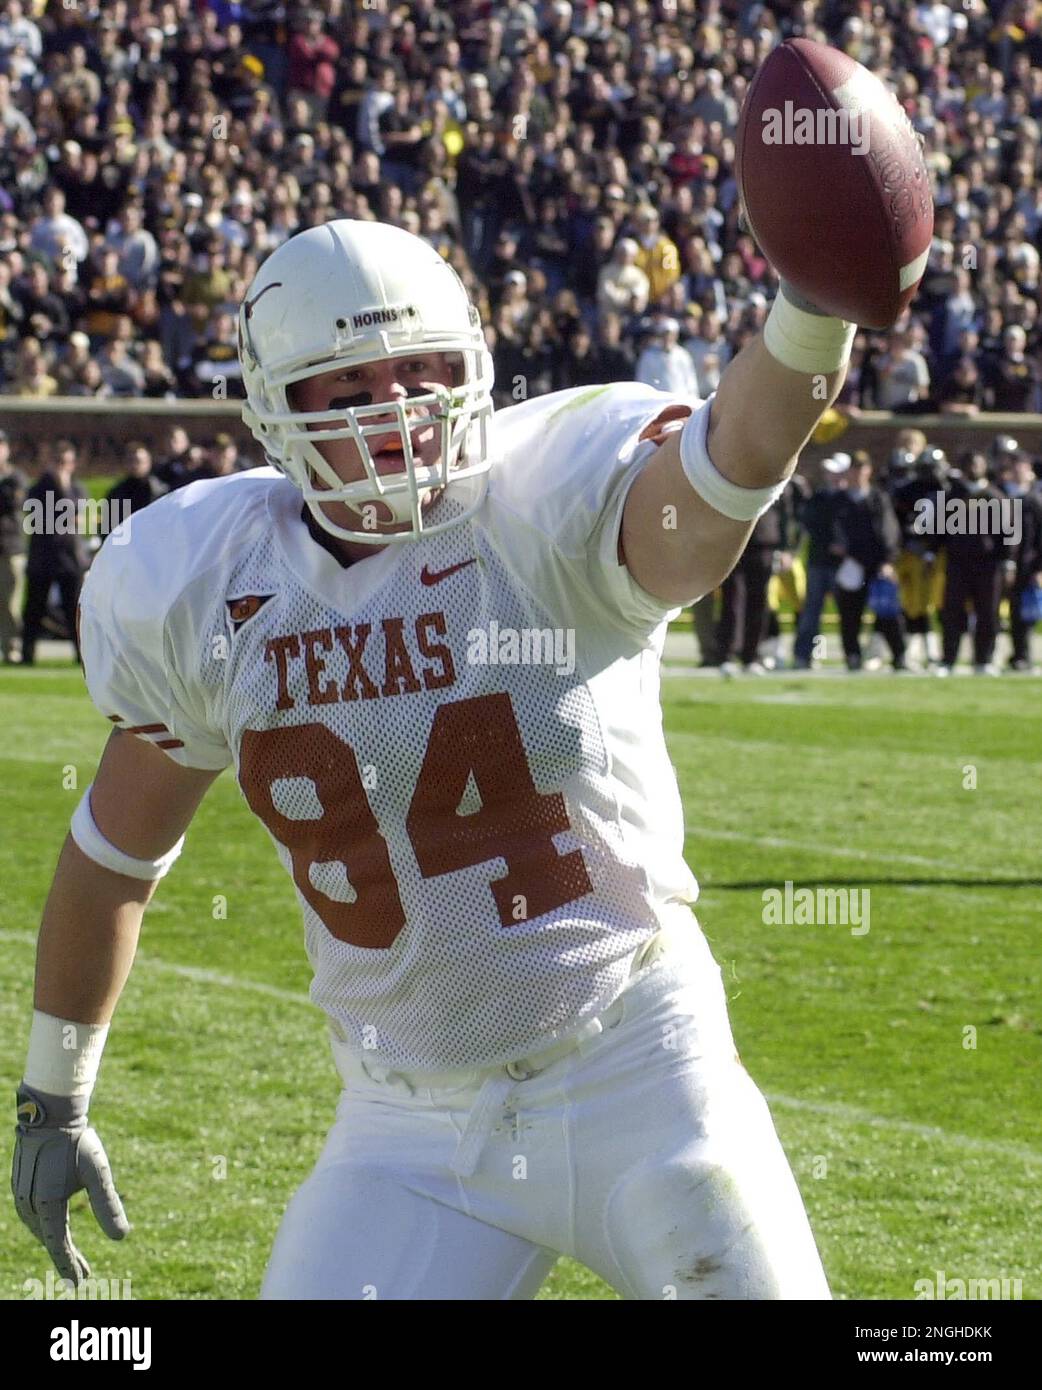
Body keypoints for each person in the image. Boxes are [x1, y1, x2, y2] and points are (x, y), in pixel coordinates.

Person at [11, 218, 848, 1301]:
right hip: (406, 1125)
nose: (404, 411)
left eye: (427, 371)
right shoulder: (207, 582)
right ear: (276, 404)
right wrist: (54, 1096)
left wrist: (812, 308)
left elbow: (724, 477)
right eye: (356, 382)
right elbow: (114, 857)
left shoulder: (543, 497)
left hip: (641, 1069)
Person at [832, 452, 906, 671]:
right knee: (850, 614)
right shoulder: (839, 500)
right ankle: (852, 656)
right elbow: (829, 530)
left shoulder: (878, 497)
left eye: (862, 468)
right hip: (851, 563)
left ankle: (899, 656)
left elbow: (889, 530)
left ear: (869, 471)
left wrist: (888, 560)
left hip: (877, 563)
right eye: (854, 468)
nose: (858, 473)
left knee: (888, 612)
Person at [19, 438, 87, 666]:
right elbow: (37, 517)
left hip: (69, 559)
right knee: (34, 610)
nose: (62, 467)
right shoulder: (38, 488)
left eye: (66, 462)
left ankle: (81, 656)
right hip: (43, 558)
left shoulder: (76, 488)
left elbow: (76, 516)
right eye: (58, 462)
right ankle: (27, 655)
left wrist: (64, 488)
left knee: (73, 611)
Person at [0, 427, 28, 662]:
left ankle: (11, 648)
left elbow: (11, 505)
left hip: (9, 549)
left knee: (10, 603)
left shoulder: (15, 478)